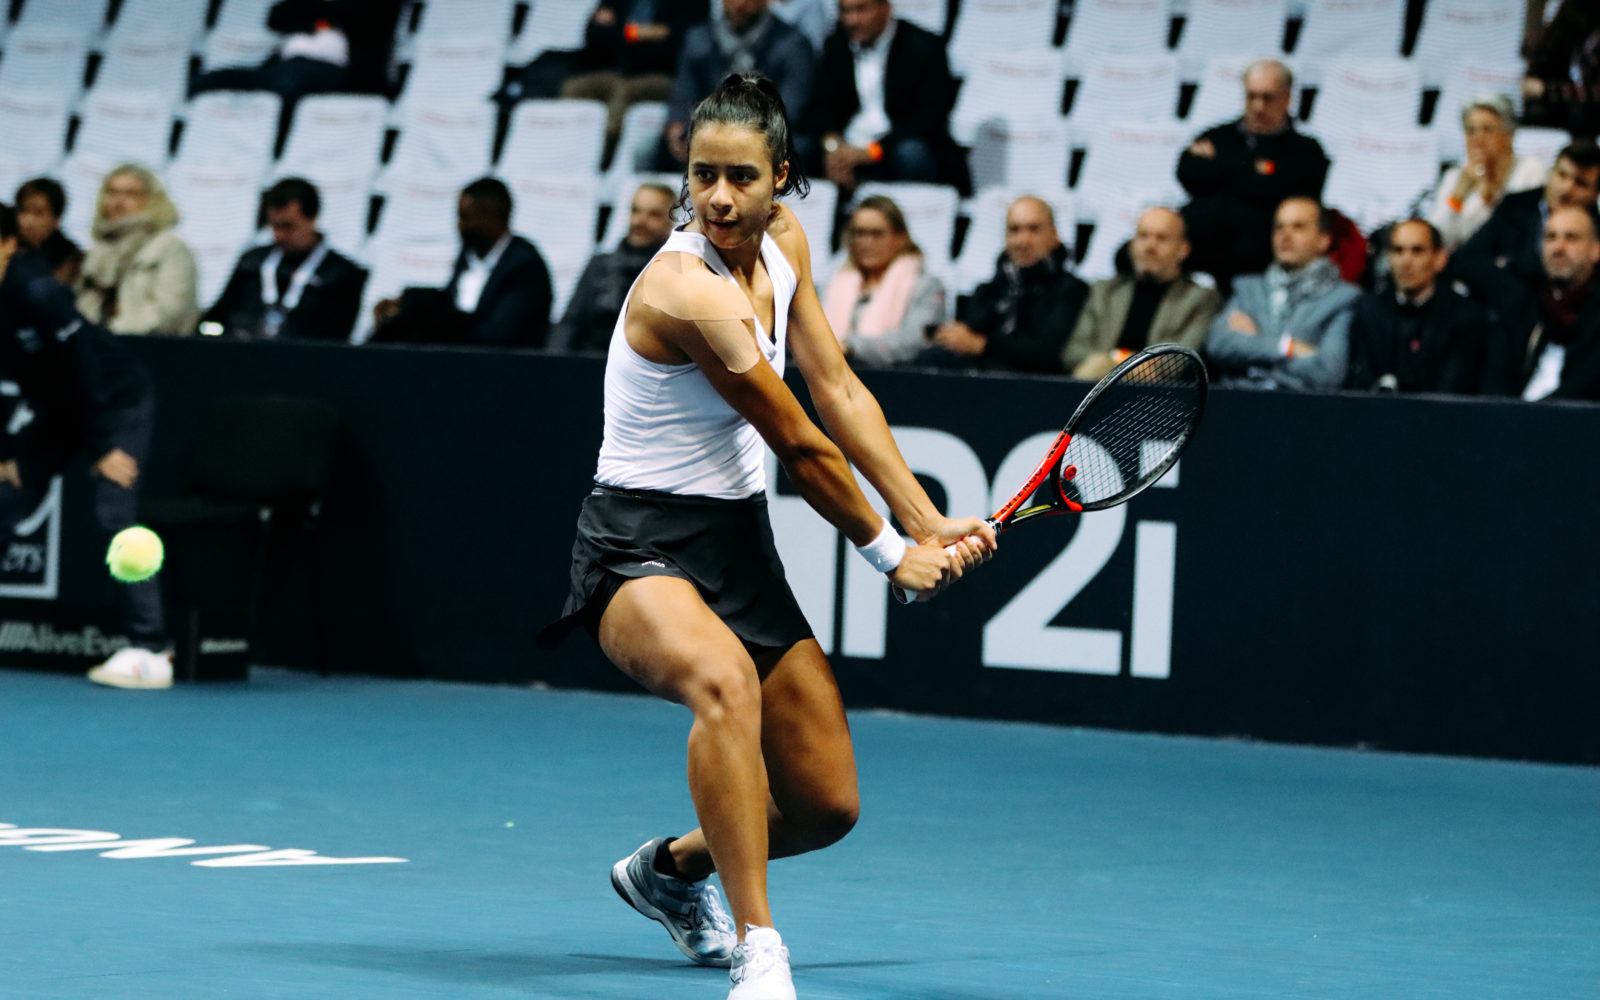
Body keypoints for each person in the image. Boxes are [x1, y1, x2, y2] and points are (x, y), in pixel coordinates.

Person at [540, 73, 994, 1000]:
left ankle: (669, 871)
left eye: (742, 178)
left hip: (735, 545)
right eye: (703, 176)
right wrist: (887, 553)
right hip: (636, 544)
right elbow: (797, 438)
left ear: (782, 179)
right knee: (723, 682)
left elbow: (836, 388)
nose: (719, 198)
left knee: (827, 804)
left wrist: (927, 517)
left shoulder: (784, 242)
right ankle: (759, 944)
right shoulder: (683, 289)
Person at [0, 204, 173, 689]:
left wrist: (102, 446)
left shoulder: (38, 290)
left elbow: (83, 367)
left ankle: (152, 650)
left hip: (113, 401)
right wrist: (7, 447)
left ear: (9, 244)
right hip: (58, 409)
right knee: (6, 500)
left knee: (113, 516)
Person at [1178, 59, 1330, 290]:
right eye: (1251, 96)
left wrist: (1220, 167)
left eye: (1268, 98)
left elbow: (1290, 192)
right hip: (1200, 243)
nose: (1258, 106)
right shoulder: (1218, 134)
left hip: (1256, 257)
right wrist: (1252, 170)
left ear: (1287, 98)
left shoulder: (1305, 150)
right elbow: (1186, 172)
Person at [799, 0, 967, 194]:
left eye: (861, 9)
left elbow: (930, 119)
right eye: (845, 11)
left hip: (893, 147)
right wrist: (833, 148)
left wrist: (873, 151)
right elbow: (820, 108)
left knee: (912, 153)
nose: (851, 20)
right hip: (847, 145)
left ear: (885, 8)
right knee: (798, 147)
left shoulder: (924, 47)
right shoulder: (836, 44)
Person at [372, 177, 554, 347]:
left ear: (492, 217)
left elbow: (498, 334)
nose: (460, 226)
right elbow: (451, 305)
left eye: (465, 217)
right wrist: (405, 307)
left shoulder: (525, 266)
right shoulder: (468, 254)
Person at [1206, 196, 1359, 390]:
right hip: (1238, 404)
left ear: (1323, 240)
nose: (1286, 235)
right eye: (1279, 227)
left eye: (1298, 227)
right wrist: (1287, 347)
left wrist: (1252, 346)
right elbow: (1218, 346)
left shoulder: (1343, 299)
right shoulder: (1247, 289)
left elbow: (1328, 372)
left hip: (1300, 410)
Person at [925, 196, 1088, 373]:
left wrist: (983, 345)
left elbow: (1047, 352)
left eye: (1034, 229)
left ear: (1054, 235)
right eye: (1014, 230)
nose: (1023, 241)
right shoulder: (988, 290)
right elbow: (966, 334)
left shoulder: (1071, 290)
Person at [1060, 206, 1219, 381]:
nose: (1150, 246)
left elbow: (1177, 362)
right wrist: (1124, 362)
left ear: (1183, 249)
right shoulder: (1104, 292)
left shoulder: (1199, 298)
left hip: (1157, 398)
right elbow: (1073, 352)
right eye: (1143, 236)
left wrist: (1108, 363)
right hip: (1095, 387)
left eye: (1162, 238)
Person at [202, 177, 367, 341]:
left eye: (287, 226)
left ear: (312, 218)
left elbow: (337, 339)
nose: (278, 235)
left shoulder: (343, 274)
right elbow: (217, 317)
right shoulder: (252, 262)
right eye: (273, 226)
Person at [660, 0, 816, 169]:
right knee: (667, 147)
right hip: (709, 131)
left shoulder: (792, 44)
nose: (739, 4)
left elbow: (788, 110)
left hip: (765, 134)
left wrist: (738, 135)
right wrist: (676, 127)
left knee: (796, 150)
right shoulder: (699, 39)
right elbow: (684, 96)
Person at [560, 0, 711, 165]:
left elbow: (678, 44)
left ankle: (605, 161)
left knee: (624, 91)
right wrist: (640, 33)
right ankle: (565, 152)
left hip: (663, 75)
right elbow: (593, 35)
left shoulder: (690, 4)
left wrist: (620, 33)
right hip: (617, 70)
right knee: (574, 87)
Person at [1346, 219, 1487, 395]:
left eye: (1417, 251)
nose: (1406, 261)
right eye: (1398, 250)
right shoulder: (1369, 309)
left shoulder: (1465, 316)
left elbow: (1454, 387)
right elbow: (1359, 381)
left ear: (1440, 258)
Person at [1481, 206, 1600, 400]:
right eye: (1550, 237)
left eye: (1571, 238)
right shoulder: (1519, 303)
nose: (1558, 248)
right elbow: (1495, 380)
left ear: (1596, 250)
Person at [1454, 141, 1600, 293]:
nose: (1566, 189)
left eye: (1580, 183)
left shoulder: (1596, 229)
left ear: (1596, 194)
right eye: (1562, 175)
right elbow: (1467, 259)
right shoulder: (1515, 206)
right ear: (1550, 172)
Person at [75, 164, 201, 336]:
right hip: (98, 350)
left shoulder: (171, 248)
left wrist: (112, 333)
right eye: (112, 192)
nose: (117, 202)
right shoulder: (98, 250)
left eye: (130, 194)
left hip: (150, 350)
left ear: (152, 200)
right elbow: (84, 306)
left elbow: (170, 313)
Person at [820, 194, 946, 366]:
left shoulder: (926, 287)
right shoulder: (833, 283)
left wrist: (851, 347)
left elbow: (915, 341)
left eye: (877, 234)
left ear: (900, 238)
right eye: (859, 233)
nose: (866, 242)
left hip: (895, 379)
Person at [552, 182, 678, 353]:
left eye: (653, 214)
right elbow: (570, 323)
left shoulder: (676, 272)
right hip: (584, 364)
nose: (641, 221)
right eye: (635, 211)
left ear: (670, 222)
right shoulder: (599, 264)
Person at [1426, 94, 1548, 250]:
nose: (1478, 138)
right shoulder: (1455, 176)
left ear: (1509, 135)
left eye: (1487, 129)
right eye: (1470, 131)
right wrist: (1458, 196)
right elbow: (1436, 242)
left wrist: (1489, 199)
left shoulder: (1531, 170)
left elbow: (1527, 232)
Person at [1521, 0, 1600, 139]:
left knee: (1581, 112)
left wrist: (1547, 90)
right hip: (1565, 100)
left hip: (1587, 110)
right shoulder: (1574, 20)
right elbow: (1535, 55)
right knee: (1536, 110)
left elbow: (1594, 92)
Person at [13, 177, 84, 287]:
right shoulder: (7, 246)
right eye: (23, 210)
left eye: (38, 213)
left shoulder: (70, 258)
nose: (27, 222)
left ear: (56, 219)